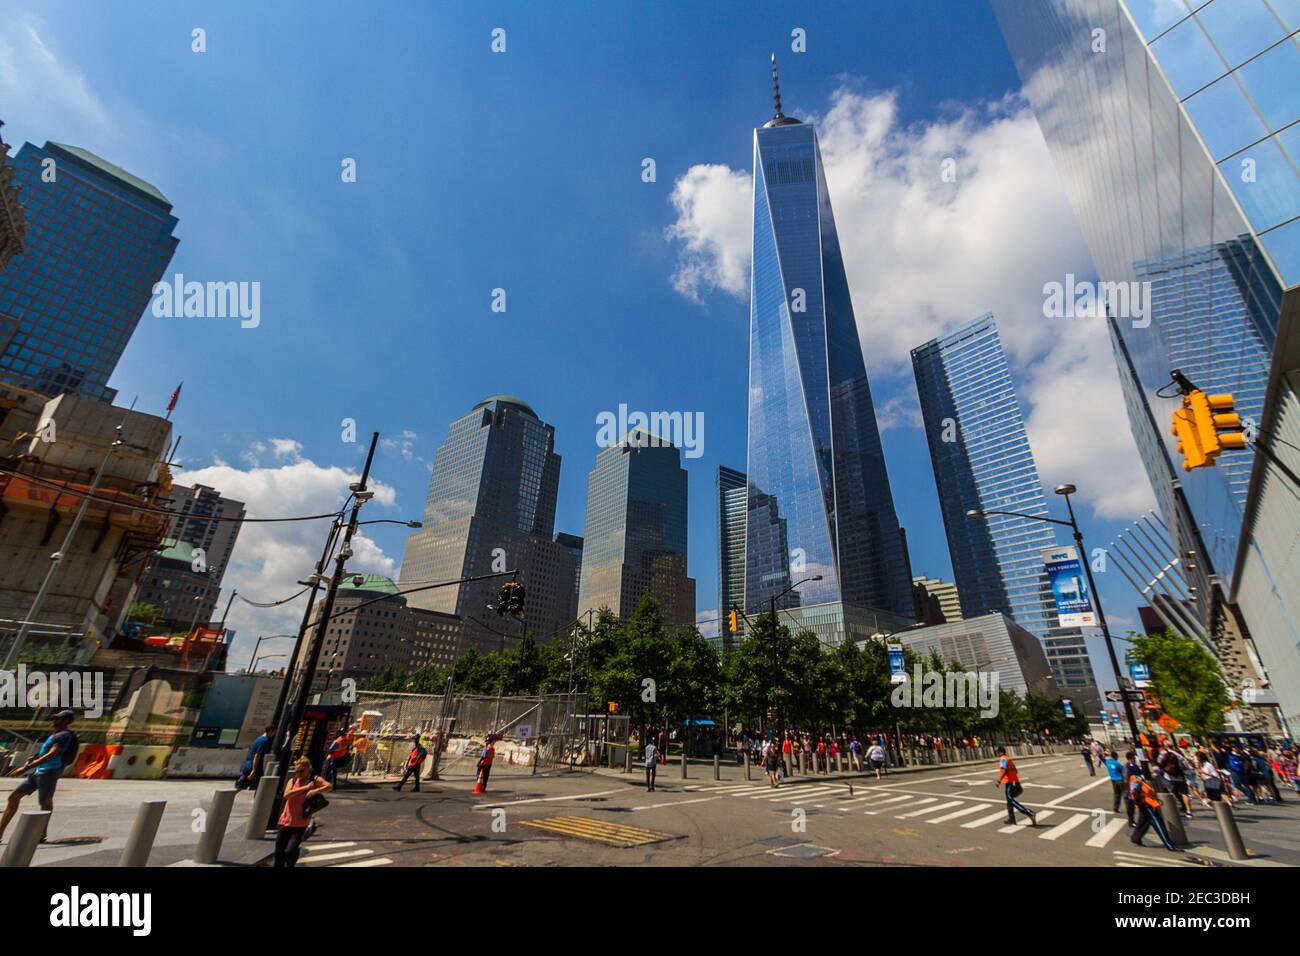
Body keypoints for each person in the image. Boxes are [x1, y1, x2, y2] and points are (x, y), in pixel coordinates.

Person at [0, 710, 77, 845]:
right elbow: (44, 752)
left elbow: (52, 754)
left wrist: (25, 768)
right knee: (14, 797)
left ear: (66, 721)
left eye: (58, 718)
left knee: (45, 802)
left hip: (50, 771)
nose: (53, 720)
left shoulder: (64, 735)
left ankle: (42, 833)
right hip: (39, 771)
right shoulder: (55, 735)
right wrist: (32, 762)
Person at [275, 757, 331, 867]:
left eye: (301, 771)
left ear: (308, 769)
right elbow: (287, 794)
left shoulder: (314, 779)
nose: (299, 774)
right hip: (285, 821)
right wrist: (306, 788)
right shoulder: (293, 780)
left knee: (290, 851)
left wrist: (316, 790)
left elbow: (329, 786)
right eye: (297, 771)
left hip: (300, 823)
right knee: (279, 853)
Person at [1129, 766, 1177, 851]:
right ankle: (1168, 844)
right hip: (1147, 804)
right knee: (1158, 824)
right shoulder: (1136, 780)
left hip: (1146, 804)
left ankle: (1136, 837)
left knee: (1143, 822)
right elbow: (1135, 791)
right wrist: (1140, 802)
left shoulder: (1138, 779)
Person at [995, 746, 1036, 826]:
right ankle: (1011, 818)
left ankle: (1030, 813)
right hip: (1014, 782)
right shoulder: (1008, 758)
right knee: (1009, 800)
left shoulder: (1003, 758)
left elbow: (1003, 770)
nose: (997, 754)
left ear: (1001, 752)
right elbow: (1016, 771)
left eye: (998, 752)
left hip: (1010, 782)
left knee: (1010, 800)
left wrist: (998, 781)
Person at [236, 724, 275, 792]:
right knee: (259, 787)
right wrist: (253, 770)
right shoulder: (265, 741)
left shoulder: (259, 738)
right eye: (274, 732)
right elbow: (257, 756)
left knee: (242, 786)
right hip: (254, 767)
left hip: (249, 765)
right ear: (271, 731)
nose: (274, 734)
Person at [1104, 750, 1127, 815]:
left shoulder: (1107, 762)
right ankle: (1128, 808)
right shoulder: (1117, 763)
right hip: (1120, 780)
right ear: (1116, 756)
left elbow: (1105, 758)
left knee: (1117, 794)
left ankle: (1115, 808)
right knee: (1125, 794)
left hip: (1113, 780)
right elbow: (1123, 770)